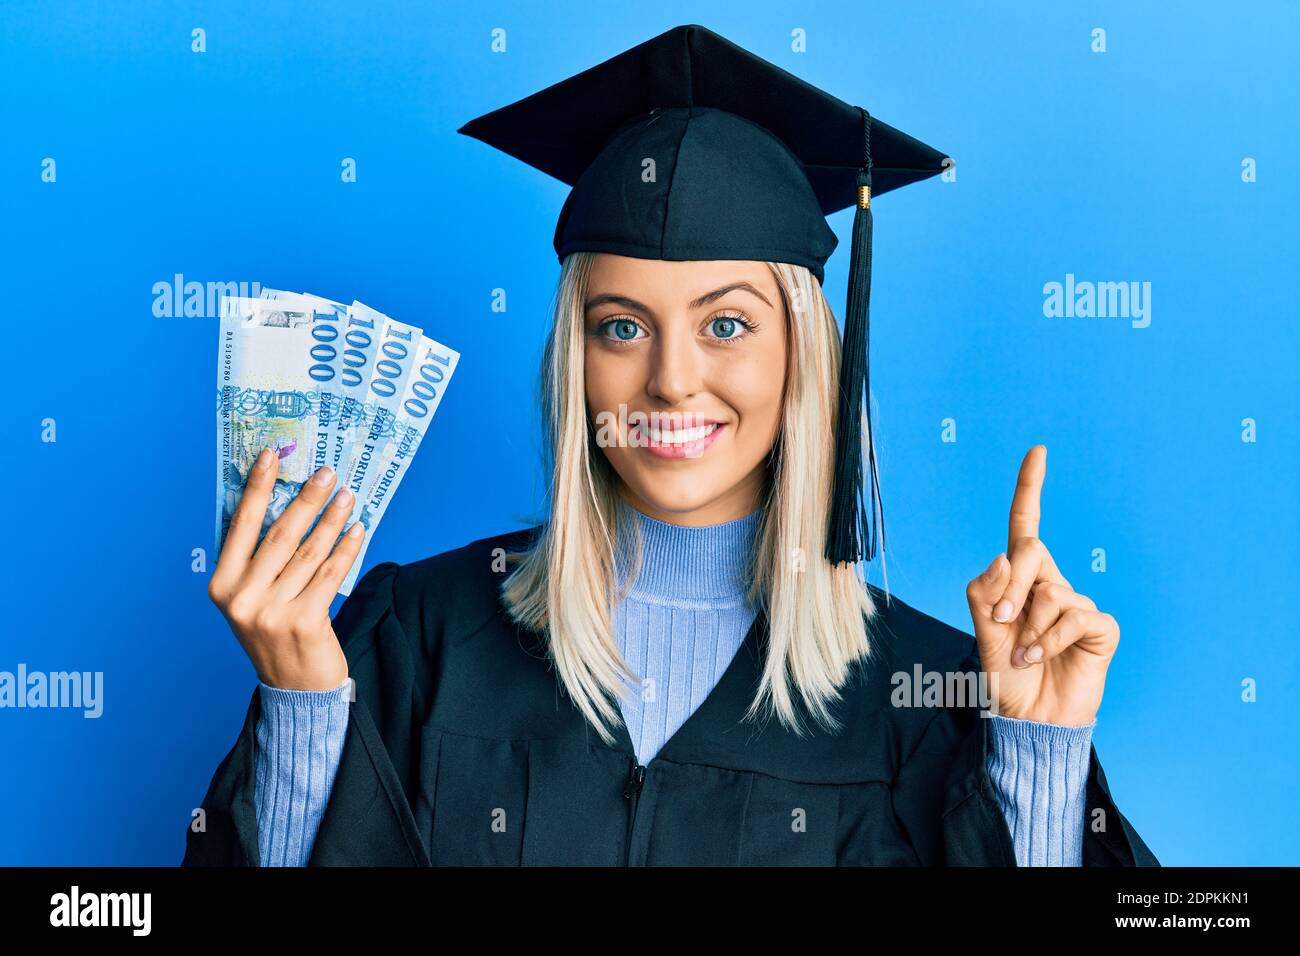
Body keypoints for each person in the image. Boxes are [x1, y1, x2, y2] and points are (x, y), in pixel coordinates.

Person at [185, 24, 1157, 867]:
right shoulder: (417, 638)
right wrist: (302, 702)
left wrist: (1039, 758)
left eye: (726, 325)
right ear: (575, 359)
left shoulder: (927, 696)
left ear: (805, 356)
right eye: (621, 326)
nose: (671, 379)